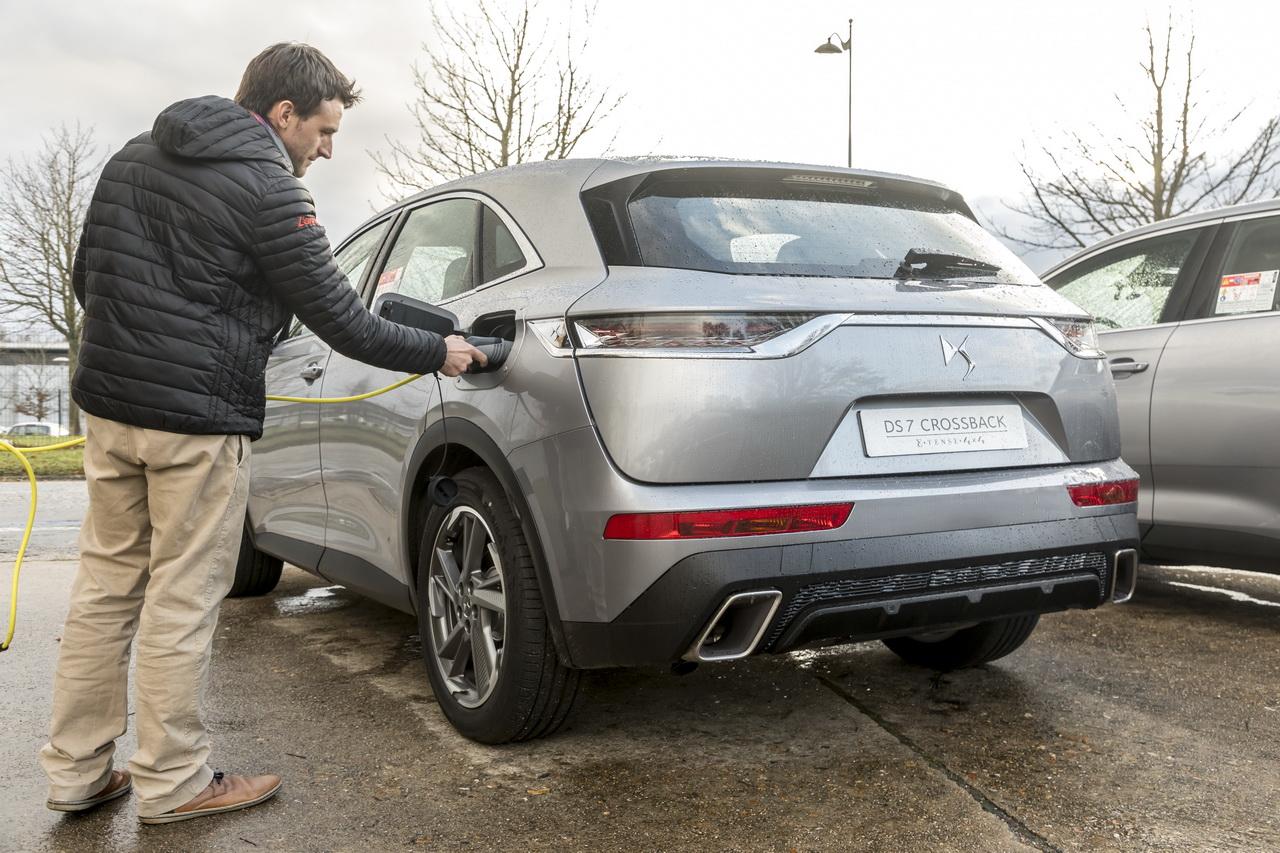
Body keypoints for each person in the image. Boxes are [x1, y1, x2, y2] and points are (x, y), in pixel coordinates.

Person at [39, 42, 485, 825]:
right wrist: (439, 351)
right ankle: (174, 782)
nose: (327, 147)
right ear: (283, 114)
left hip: (109, 411)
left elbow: (87, 278)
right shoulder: (271, 192)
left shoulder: (132, 159)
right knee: (181, 599)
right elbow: (345, 323)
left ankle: (76, 773)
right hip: (198, 423)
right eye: (323, 129)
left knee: (105, 591)